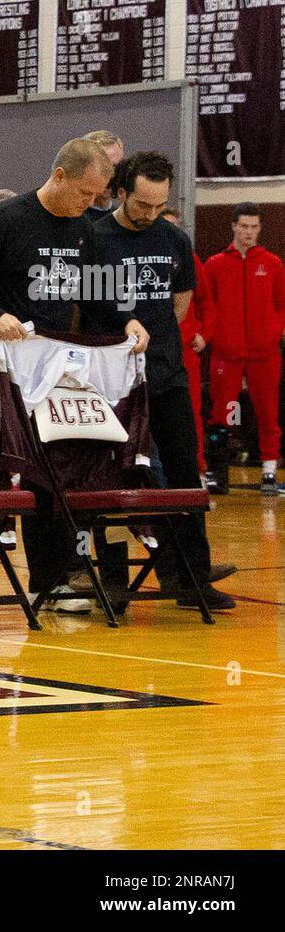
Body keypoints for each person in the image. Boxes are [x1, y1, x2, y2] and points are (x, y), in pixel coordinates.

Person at [0, 136, 150, 614]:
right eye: (84, 194)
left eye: (98, 197)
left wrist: (126, 321)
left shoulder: (84, 229)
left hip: (53, 365)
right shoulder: (5, 220)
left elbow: (99, 294)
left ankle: (49, 580)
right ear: (59, 177)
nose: (91, 204)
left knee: (51, 468)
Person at [80, 151, 233, 610]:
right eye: (141, 204)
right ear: (120, 193)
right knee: (105, 475)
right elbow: (81, 305)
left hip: (165, 375)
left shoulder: (173, 238)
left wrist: (158, 340)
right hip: (107, 380)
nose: (149, 213)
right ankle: (110, 577)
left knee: (184, 473)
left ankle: (188, 577)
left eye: (158, 204)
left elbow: (179, 304)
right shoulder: (92, 238)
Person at [203, 202, 285, 494]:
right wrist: (214, 336)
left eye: (254, 227)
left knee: (268, 412)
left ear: (260, 228)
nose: (249, 233)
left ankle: (268, 472)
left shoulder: (273, 264)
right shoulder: (214, 265)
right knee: (220, 414)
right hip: (227, 353)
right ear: (234, 226)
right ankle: (216, 472)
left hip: (265, 354)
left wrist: (273, 333)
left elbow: (281, 305)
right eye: (244, 226)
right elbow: (207, 307)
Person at [161, 205, 215, 476]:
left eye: (175, 226)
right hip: (152, 350)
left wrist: (204, 334)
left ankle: (198, 472)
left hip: (185, 352)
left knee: (191, 414)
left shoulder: (190, 259)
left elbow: (207, 303)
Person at [83, 128, 124, 219]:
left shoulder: (124, 221)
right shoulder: (68, 220)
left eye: (115, 167)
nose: (111, 176)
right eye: (103, 168)